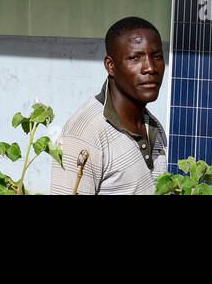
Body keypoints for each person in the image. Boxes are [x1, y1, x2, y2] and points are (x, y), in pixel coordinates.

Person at [50, 15, 169, 194]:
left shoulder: (152, 126)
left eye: (157, 56)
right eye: (135, 58)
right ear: (110, 65)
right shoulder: (84, 135)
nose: (150, 68)